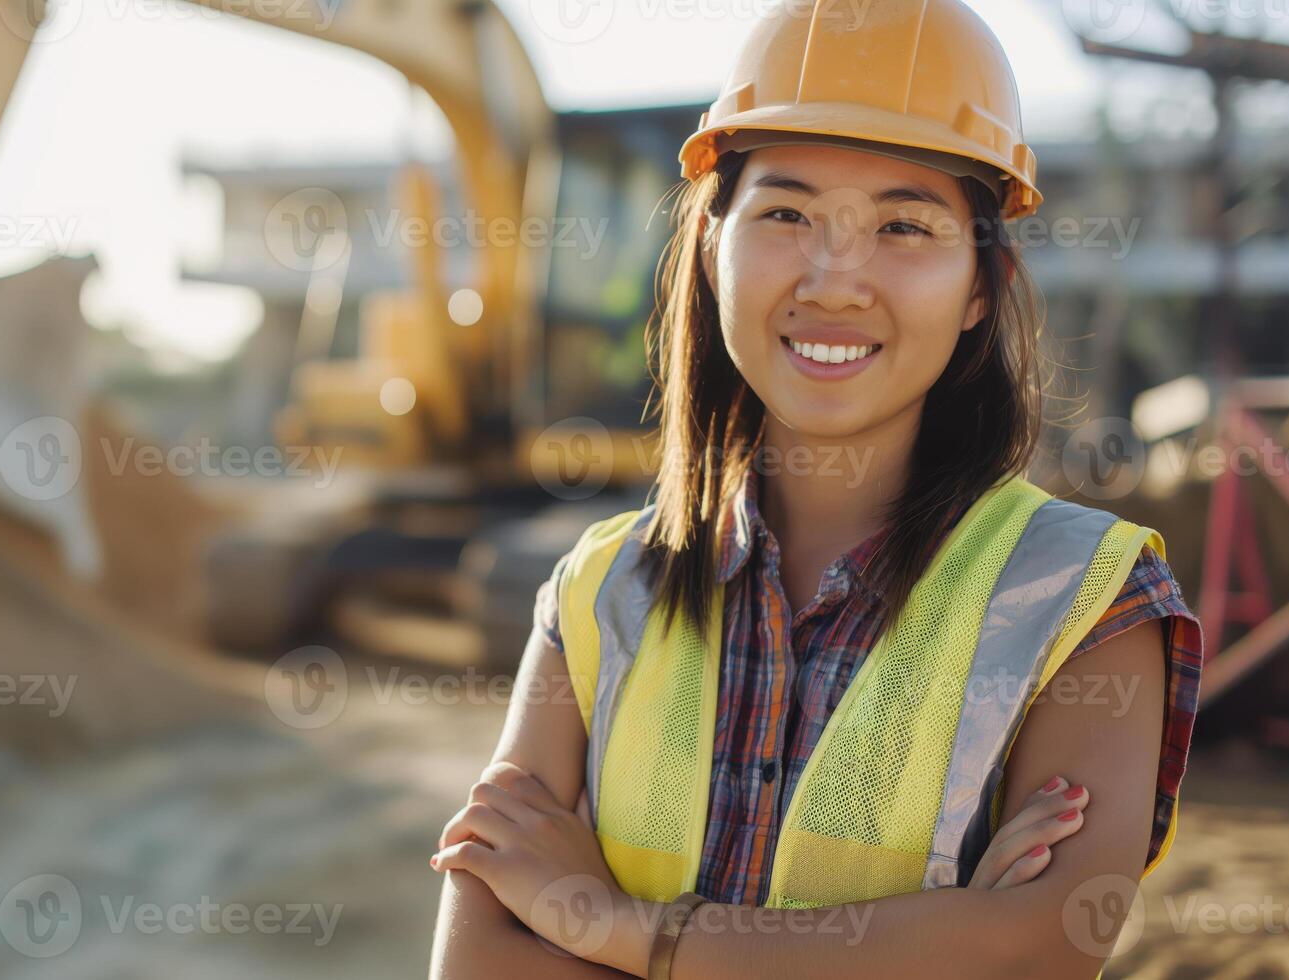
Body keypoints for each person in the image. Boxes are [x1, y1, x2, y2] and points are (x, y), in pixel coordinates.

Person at [428, 1, 1203, 976]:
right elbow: (476, 962)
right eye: (787, 213)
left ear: (978, 287)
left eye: (904, 225)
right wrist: (931, 936)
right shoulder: (598, 591)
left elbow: (1047, 945)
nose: (836, 280)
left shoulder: (1086, 599)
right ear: (713, 249)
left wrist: (619, 928)